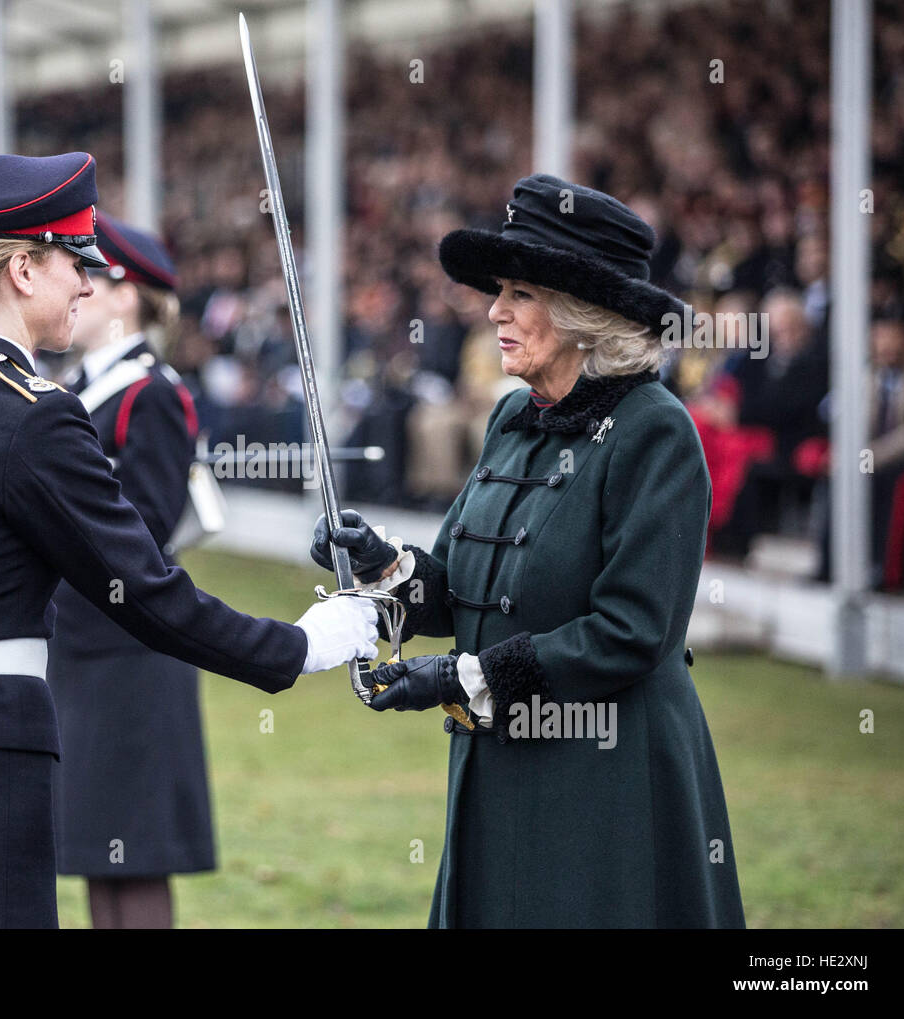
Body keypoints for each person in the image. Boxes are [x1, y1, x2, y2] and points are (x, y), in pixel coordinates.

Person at [0, 152, 378, 928]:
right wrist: (297, 644)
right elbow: (144, 584)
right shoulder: (37, 417)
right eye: (72, 261)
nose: (87, 281)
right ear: (21, 269)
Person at [312, 174, 745, 929]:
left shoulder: (655, 430)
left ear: (584, 315)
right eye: (499, 290)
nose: (495, 312)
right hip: (499, 764)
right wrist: (381, 562)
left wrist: (462, 675)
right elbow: (458, 591)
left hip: (606, 777)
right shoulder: (514, 416)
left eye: (521, 292)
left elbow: (634, 630)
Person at [46, 213, 212, 928]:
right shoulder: (79, 389)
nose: (77, 291)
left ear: (128, 296)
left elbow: (142, 531)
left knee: (134, 855)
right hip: (83, 644)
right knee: (93, 850)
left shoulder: (150, 393)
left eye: (94, 278)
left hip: (130, 650)